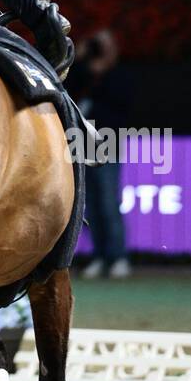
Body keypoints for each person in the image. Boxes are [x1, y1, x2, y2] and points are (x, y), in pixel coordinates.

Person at [66, 31, 133, 278]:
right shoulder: (84, 72)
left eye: (105, 44)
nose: (101, 49)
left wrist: (100, 71)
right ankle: (99, 257)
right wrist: (79, 59)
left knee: (108, 201)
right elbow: (66, 89)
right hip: (82, 144)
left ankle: (118, 257)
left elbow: (122, 108)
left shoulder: (119, 75)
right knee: (90, 206)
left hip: (108, 143)